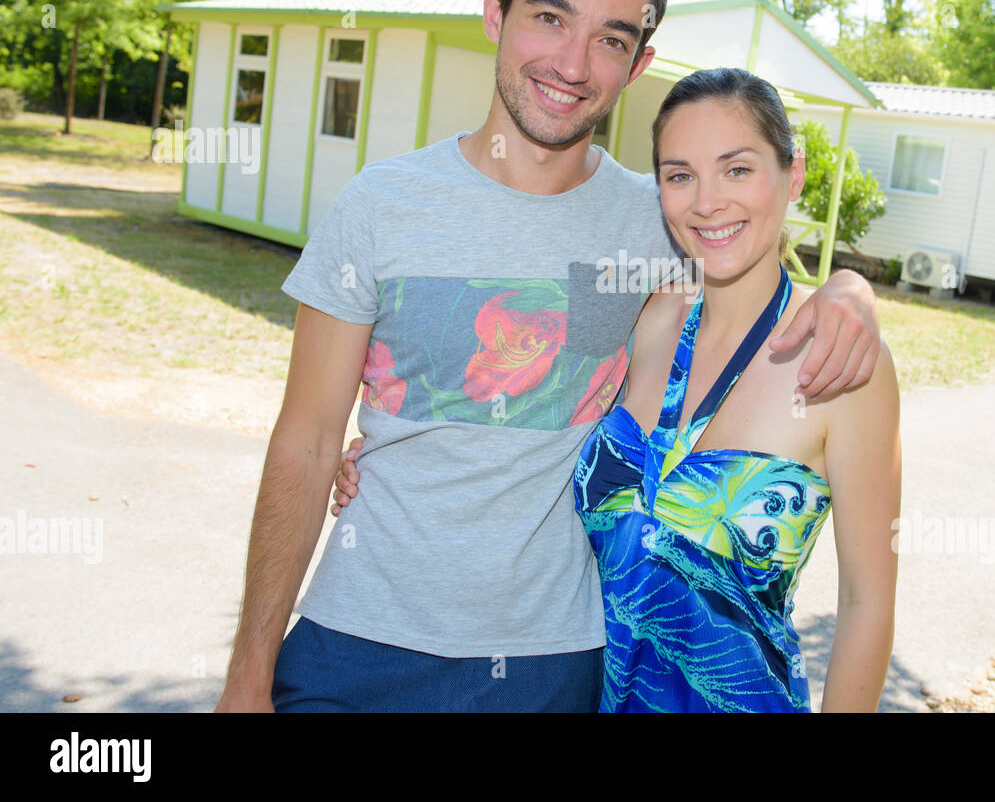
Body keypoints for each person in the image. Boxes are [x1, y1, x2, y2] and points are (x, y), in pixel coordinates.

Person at [215, 0, 884, 714]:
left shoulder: (663, 216)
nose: (572, 64)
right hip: (355, 645)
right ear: (497, 12)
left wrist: (853, 288)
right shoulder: (379, 207)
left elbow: (756, 256)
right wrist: (246, 678)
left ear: (638, 64)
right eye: (549, 17)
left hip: (554, 667)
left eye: (610, 38)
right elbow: (308, 442)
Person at [336, 68, 901, 712]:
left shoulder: (845, 368)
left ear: (793, 173)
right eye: (680, 175)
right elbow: (518, 397)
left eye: (737, 169)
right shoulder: (648, 316)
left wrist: (850, 286)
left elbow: (866, 604)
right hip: (575, 692)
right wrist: (385, 456)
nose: (707, 201)